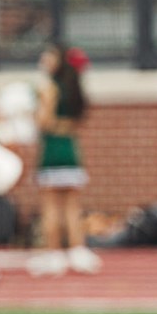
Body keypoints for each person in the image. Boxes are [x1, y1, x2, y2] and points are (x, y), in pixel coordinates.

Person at [26, 43, 102, 277]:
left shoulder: (49, 87)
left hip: (52, 149)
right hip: (70, 147)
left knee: (51, 205)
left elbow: (44, 121)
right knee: (71, 205)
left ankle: (55, 253)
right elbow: (77, 120)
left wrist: (30, 113)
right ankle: (77, 250)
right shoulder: (72, 86)